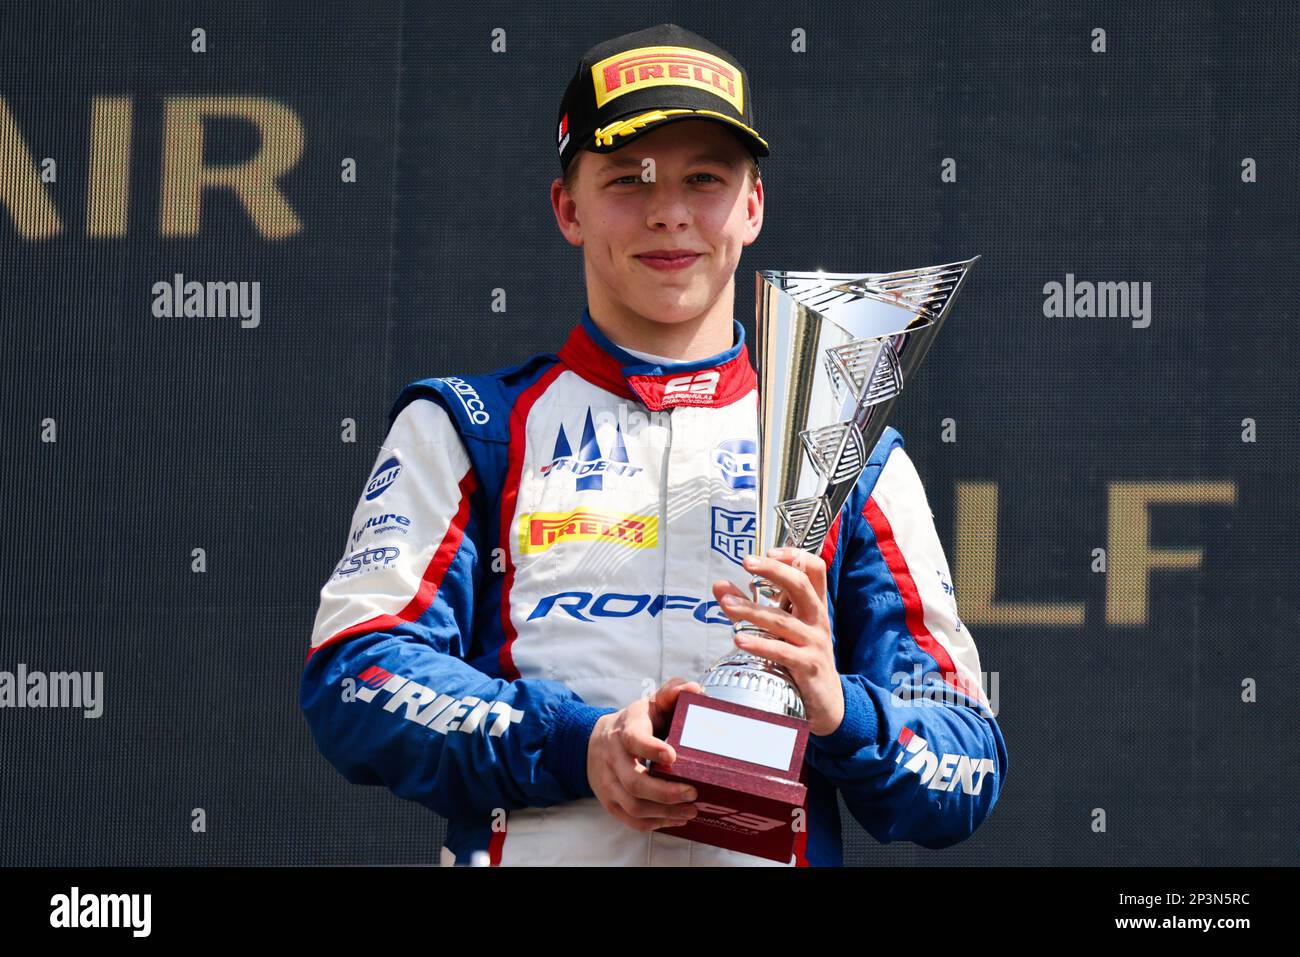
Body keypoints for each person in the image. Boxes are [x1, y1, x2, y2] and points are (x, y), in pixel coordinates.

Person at [300, 22, 1007, 866]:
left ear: (751, 206)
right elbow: (355, 675)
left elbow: (966, 763)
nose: (669, 209)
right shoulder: (467, 428)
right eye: (629, 179)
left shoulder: (848, 453)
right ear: (568, 207)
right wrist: (577, 745)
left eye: (703, 178)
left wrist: (838, 706)